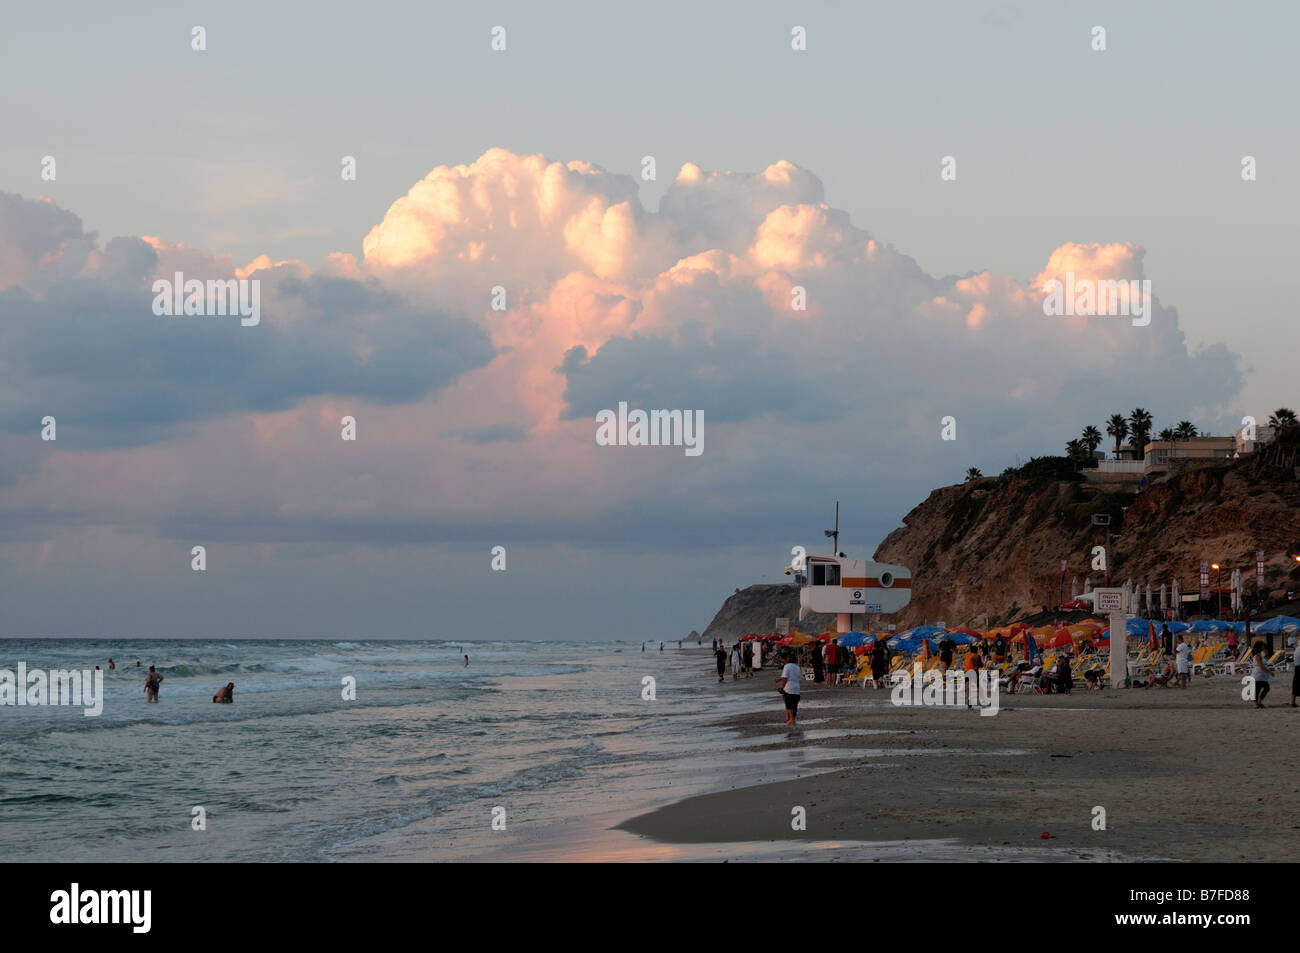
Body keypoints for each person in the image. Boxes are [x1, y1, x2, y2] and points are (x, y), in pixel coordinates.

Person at [778, 652, 802, 726]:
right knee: (794, 705)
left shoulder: (787, 666)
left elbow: (785, 678)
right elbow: (799, 677)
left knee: (789, 705)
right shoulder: (797, 667)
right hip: (797, 688)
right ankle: (793, 719)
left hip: (789, 688)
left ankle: (791, 720)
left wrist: (782, 687)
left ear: (788, 659)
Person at [1250, 641, 1272, 708]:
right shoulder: (1257, 655)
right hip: (1258, 674)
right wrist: (1270, 672)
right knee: (1258, 689)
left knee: (1266, 688)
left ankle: (1259, 702)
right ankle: (1256, 703)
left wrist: (1265, 650)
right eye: (1262, 646)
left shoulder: (1260, 655)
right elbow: (1261, 666)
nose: (1263, 647)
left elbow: (1266, 656)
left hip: (1262, 674)